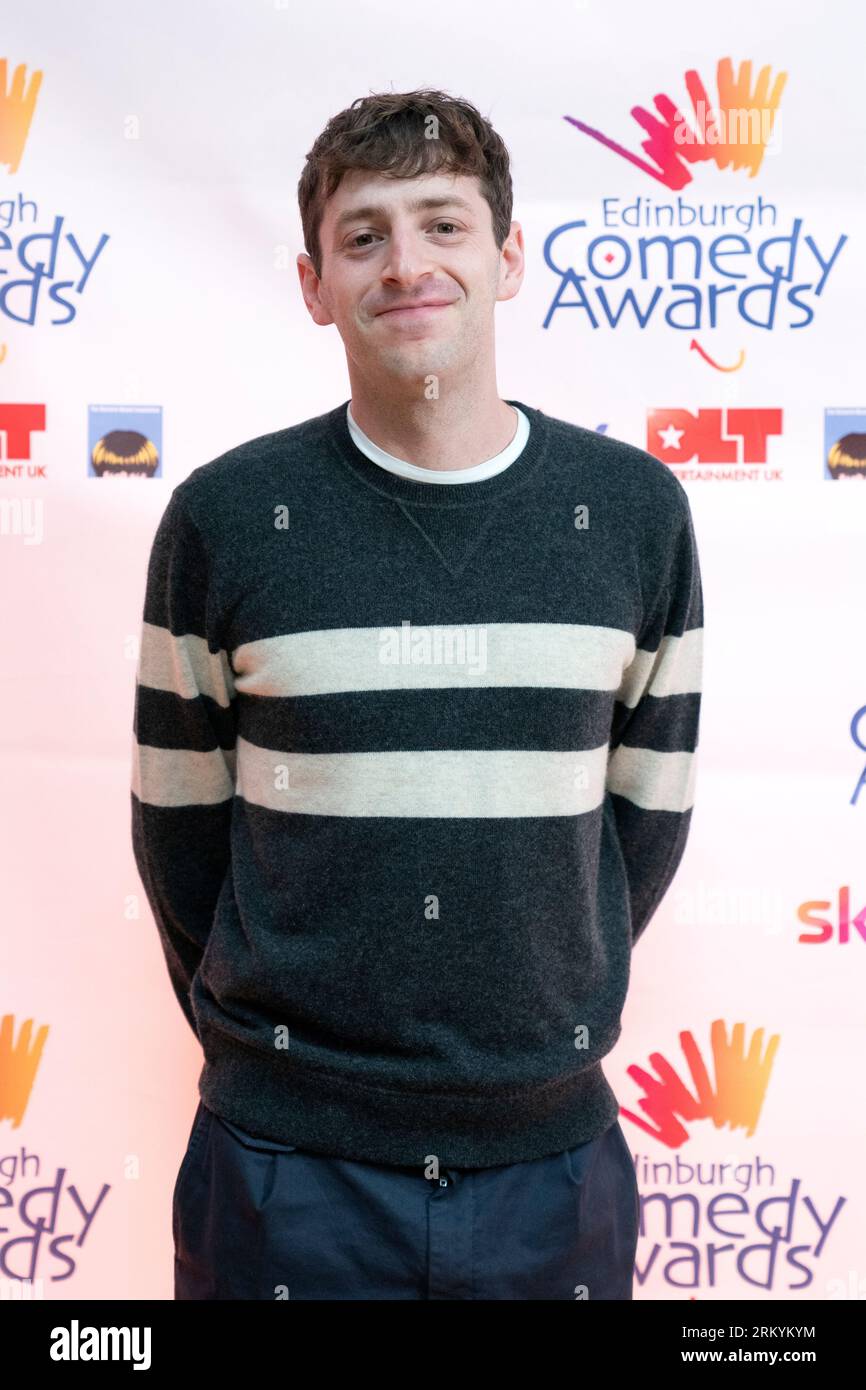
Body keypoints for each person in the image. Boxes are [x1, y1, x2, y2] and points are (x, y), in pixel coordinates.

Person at [130, 88, 704, 1301]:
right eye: (364, 235)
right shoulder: (227, 521)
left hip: (548, 1165)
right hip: (283, 1172)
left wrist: (530, 1002)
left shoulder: (634, 515)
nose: (406, 265)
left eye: (442, 225)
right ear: (312, 282)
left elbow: (638, 823)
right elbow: (179, 835)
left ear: (505, 261)